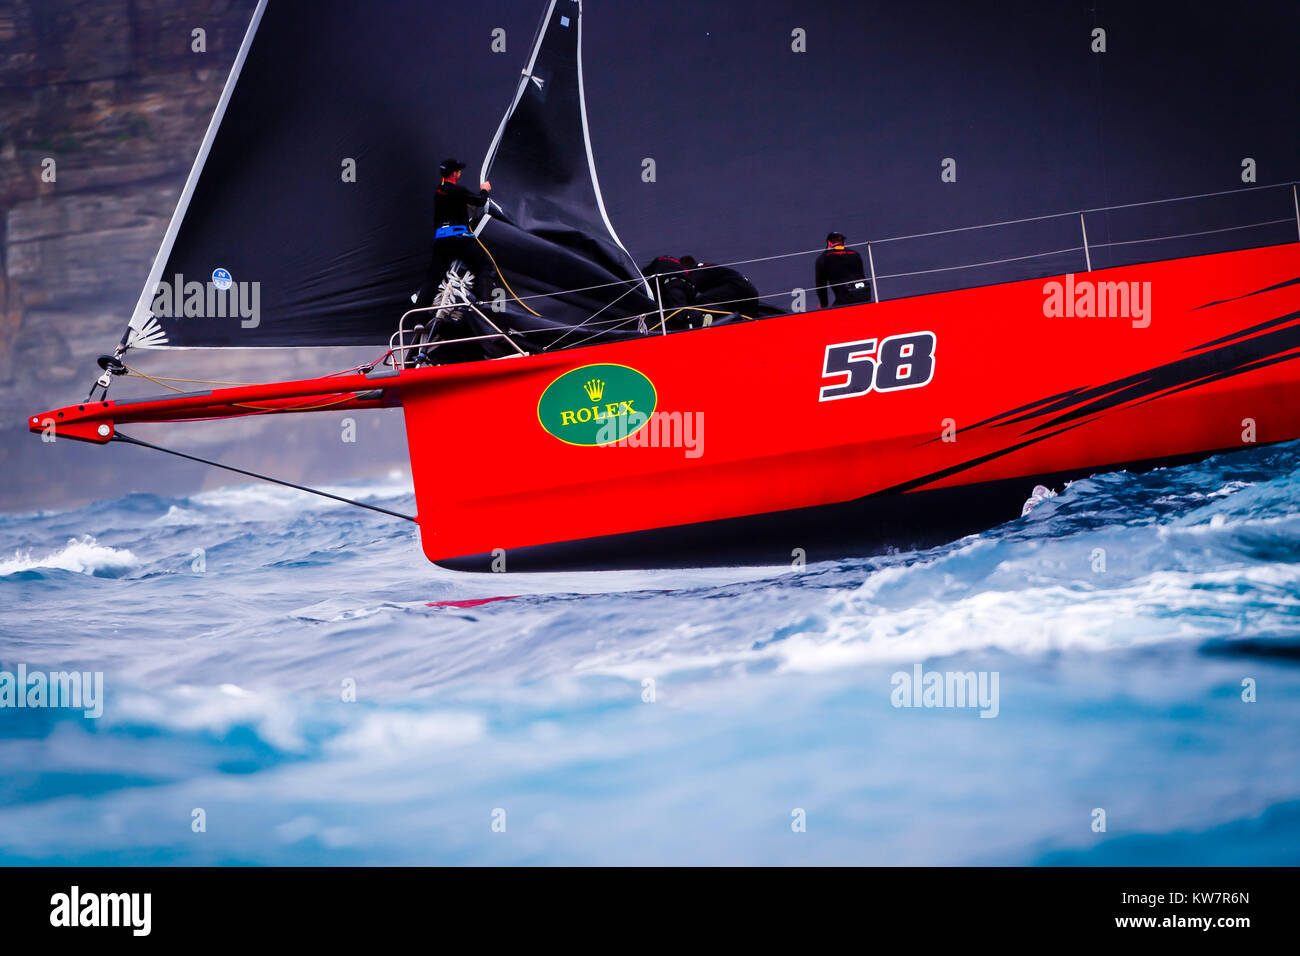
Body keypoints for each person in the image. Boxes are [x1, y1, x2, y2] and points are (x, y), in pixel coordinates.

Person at [415, 159, 495, 308]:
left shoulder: (438, 192)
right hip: (459, 239)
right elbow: (480, 201)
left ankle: (417, 321)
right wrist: (485, 190)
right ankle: (486, 307)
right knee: (485, 267)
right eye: (458, 171)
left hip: (441, 241)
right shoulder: (459, 191)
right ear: (454, 174)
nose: (460, 173)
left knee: (432, 279)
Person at [680, 255, 760, 317]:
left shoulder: (696, 272)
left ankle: (726, 319)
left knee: (702, 300)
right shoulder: (705, 267)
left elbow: (689, 296)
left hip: (737, 288)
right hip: (750, 292)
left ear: (685, 270)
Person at [814, 232, 872, 308]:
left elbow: (821, 286)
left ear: (829, 243)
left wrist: (823, 304)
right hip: (865, 295)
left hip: (845, 300)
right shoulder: (855, 254)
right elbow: (862, 276)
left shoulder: (823, 258)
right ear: (843, 243)